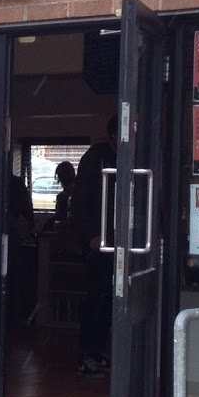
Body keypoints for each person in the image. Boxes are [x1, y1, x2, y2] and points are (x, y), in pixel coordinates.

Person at [71, 134, 115, 377]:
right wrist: (91, 236)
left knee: (109, 298)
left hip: (116, 242)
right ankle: (85, 354)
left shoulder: (126, 158)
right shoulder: (95, 160)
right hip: (98, 244)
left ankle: (97, 351)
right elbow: (79, 202)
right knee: (95, 297)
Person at [52, 159, 77, 226]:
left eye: (60, 176)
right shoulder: (78, 191)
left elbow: (60, 216)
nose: (59, 181)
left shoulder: (63, 196)